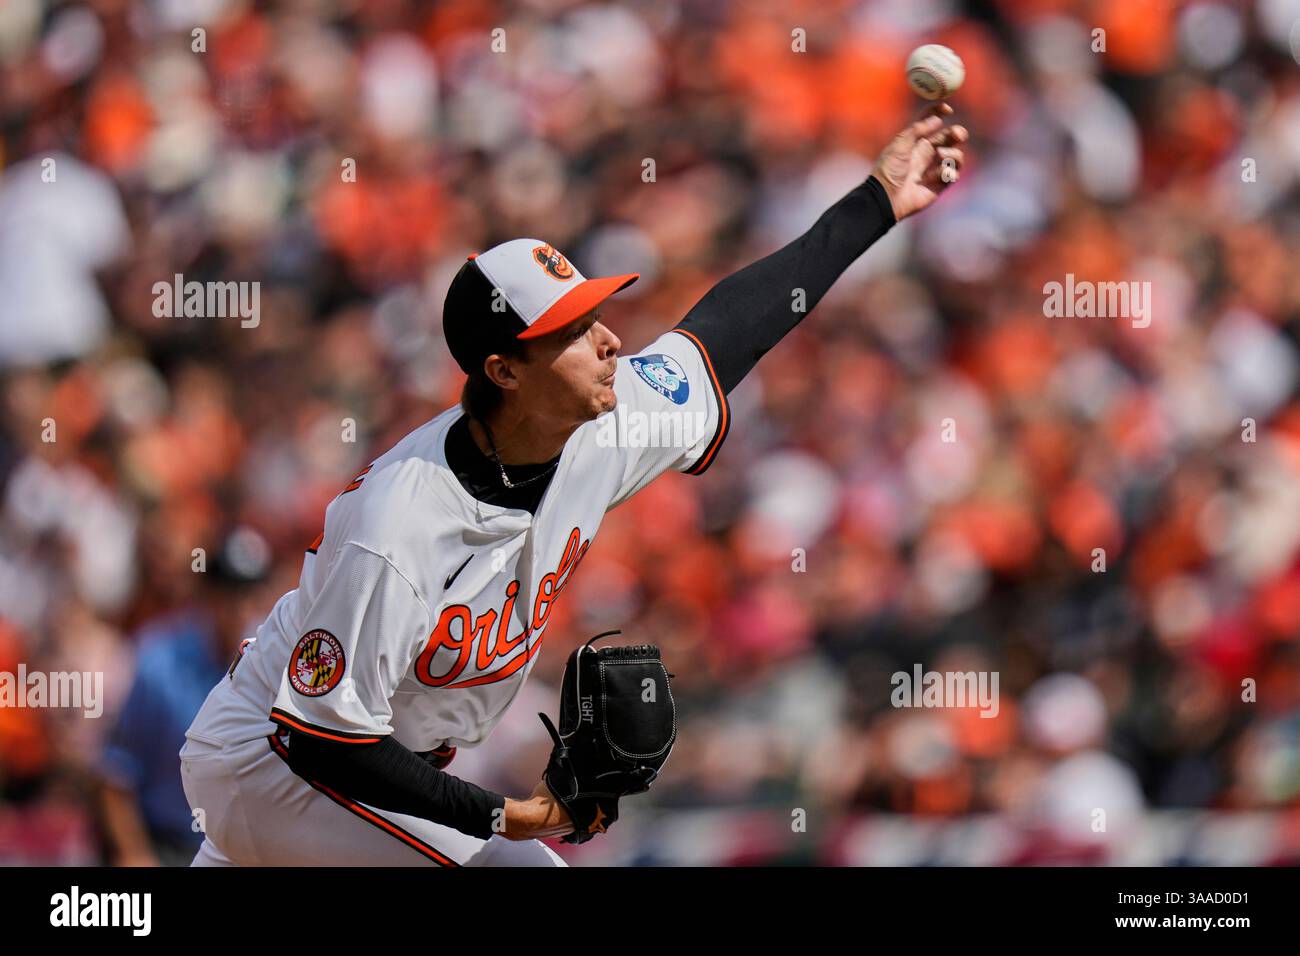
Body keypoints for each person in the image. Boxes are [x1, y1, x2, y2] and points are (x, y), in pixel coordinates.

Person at [179, 104, 968, 866]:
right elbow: (324, 737)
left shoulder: (604, 424)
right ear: (505, 371)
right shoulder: (398, 526)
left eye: (595, 312)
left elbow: (721, 336)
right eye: (570, 330)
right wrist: (504, 815)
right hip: (275, 764)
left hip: (356, 764)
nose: (607, 338)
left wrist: (876, 204)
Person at [99, 527, 272, 866]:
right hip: (165, 846)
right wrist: (134, 854)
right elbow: (116, 773)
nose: (238, 606)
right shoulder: (158, 660)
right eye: (228, 591)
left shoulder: (273, 664)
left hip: (244, 850)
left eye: (248, 592)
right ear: (207, 594)